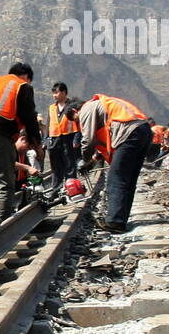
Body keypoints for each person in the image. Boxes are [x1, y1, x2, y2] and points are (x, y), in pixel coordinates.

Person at [0, 63, 42, 230]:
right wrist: (37, 145)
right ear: (26, 77)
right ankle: (1, 226)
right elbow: (30, 118)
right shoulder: (21, 86)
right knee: (5, 180)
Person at [78, 94, 154, 232]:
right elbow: (105, 140)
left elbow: (88, 139)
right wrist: (93, 161)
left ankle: (115, 222)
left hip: (129, 133)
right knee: (128, 179)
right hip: (144, 130)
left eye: (76, 120)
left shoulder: (86, 108)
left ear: (74, 112)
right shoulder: (105, 106)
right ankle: (121, 219)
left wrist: (84, 159)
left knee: (116, 178)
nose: (79, 123)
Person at [46, 82, 80, 189]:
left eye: (57, 92)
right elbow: (48, 123)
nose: (54, 95)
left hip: (69, 137)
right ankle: (56, 189)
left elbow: (79, 123)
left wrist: (77, 138)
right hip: (54, 139)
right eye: (53, 93)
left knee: (70, 164)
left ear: (64, 92)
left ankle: (72, 189)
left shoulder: (72, 106)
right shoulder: (52, 107)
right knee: (56, 166)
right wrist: (46, 139)